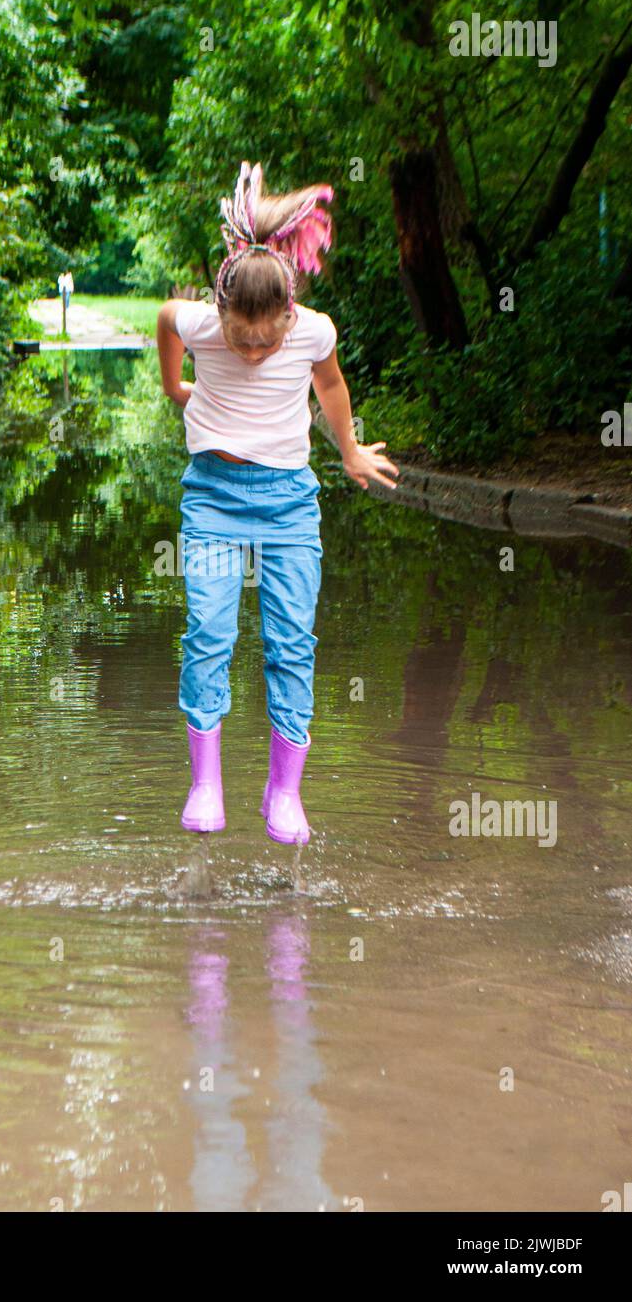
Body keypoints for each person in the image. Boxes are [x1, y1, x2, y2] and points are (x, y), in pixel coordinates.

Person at [156, 161, 399, 845]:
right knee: (209, 633)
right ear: (223, 314)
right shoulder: (201, 322)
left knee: (291, 643)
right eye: (243, 337)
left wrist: (348, 449)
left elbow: (330, 386)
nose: (258, 350)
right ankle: (205, 782)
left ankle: (283, 792)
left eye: (270, 337)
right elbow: (165, 322)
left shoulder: (312, 331)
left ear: (288, 315)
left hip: (289, 504)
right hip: (211, 495)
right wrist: (176, 388)